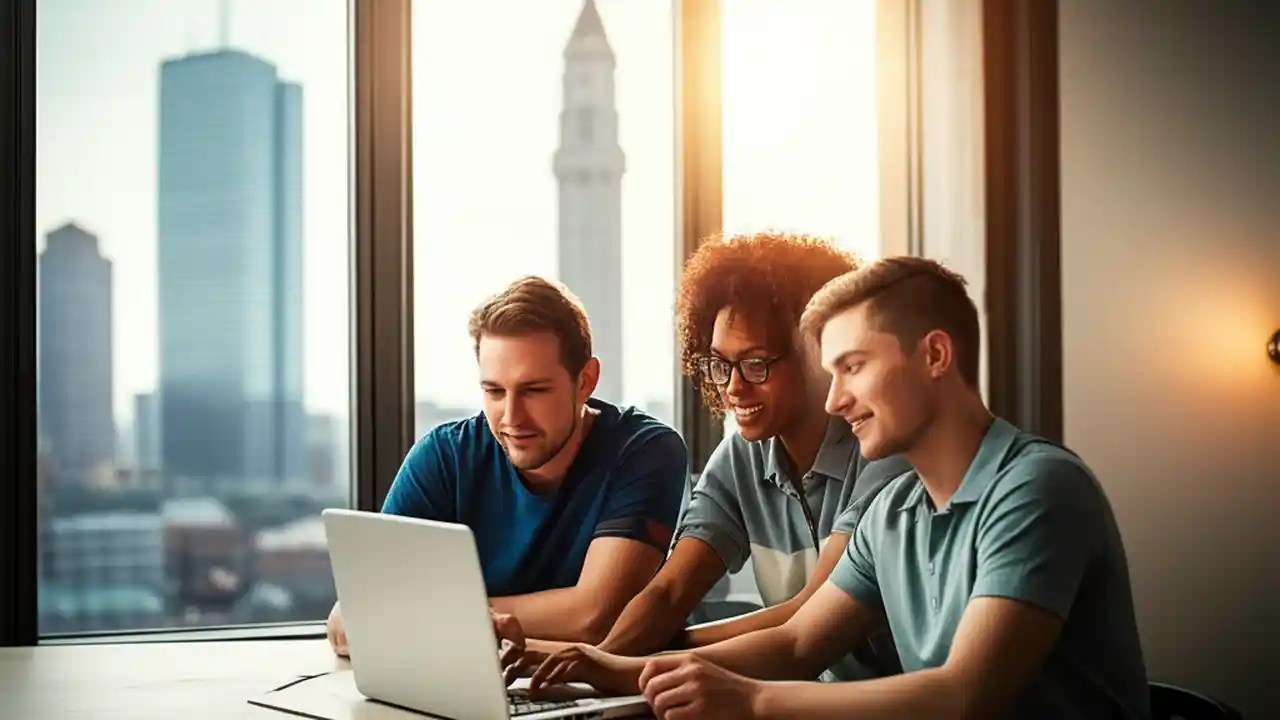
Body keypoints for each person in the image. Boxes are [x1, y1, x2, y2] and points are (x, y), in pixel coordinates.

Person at [525, 257, 1150, 719]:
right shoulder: (894, 513)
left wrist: (752, 701)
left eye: (853, 367)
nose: (834, 399)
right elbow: (797, 643)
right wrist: (612, 668)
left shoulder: (1036, 488)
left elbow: (966, 695)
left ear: (935, 356)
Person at [501, 233, 908, 682]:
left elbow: (805, 619)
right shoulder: (742, 456)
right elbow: (670, 592)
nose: (733, 387)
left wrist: (630, 661)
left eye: (757, 364)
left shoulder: (882, 449)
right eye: (720, 364)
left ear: (820, 351)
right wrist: (599, 664)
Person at [326, 276, 688, 657]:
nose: (511, 417)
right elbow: (351, 619)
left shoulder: (645, 451)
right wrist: (378, 616)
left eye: (534, 390)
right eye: (494, 391)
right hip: (473, 682)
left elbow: (597, 617)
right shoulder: (444, 458)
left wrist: (424, 617)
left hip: (616, 695)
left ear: (586, 381)